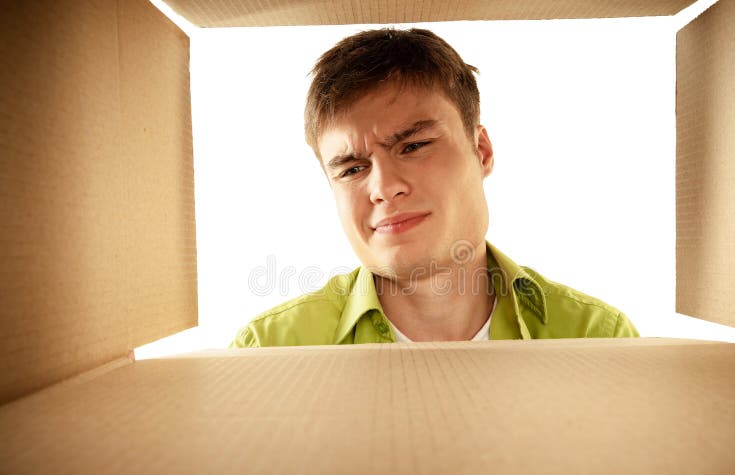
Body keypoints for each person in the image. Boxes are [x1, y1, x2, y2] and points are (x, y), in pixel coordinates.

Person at [231, 28, 638, 347]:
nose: (384, 188)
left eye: (413, 146)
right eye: (352, 169)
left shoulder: (599, 337)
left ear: (481, 151)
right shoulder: (266, 351)